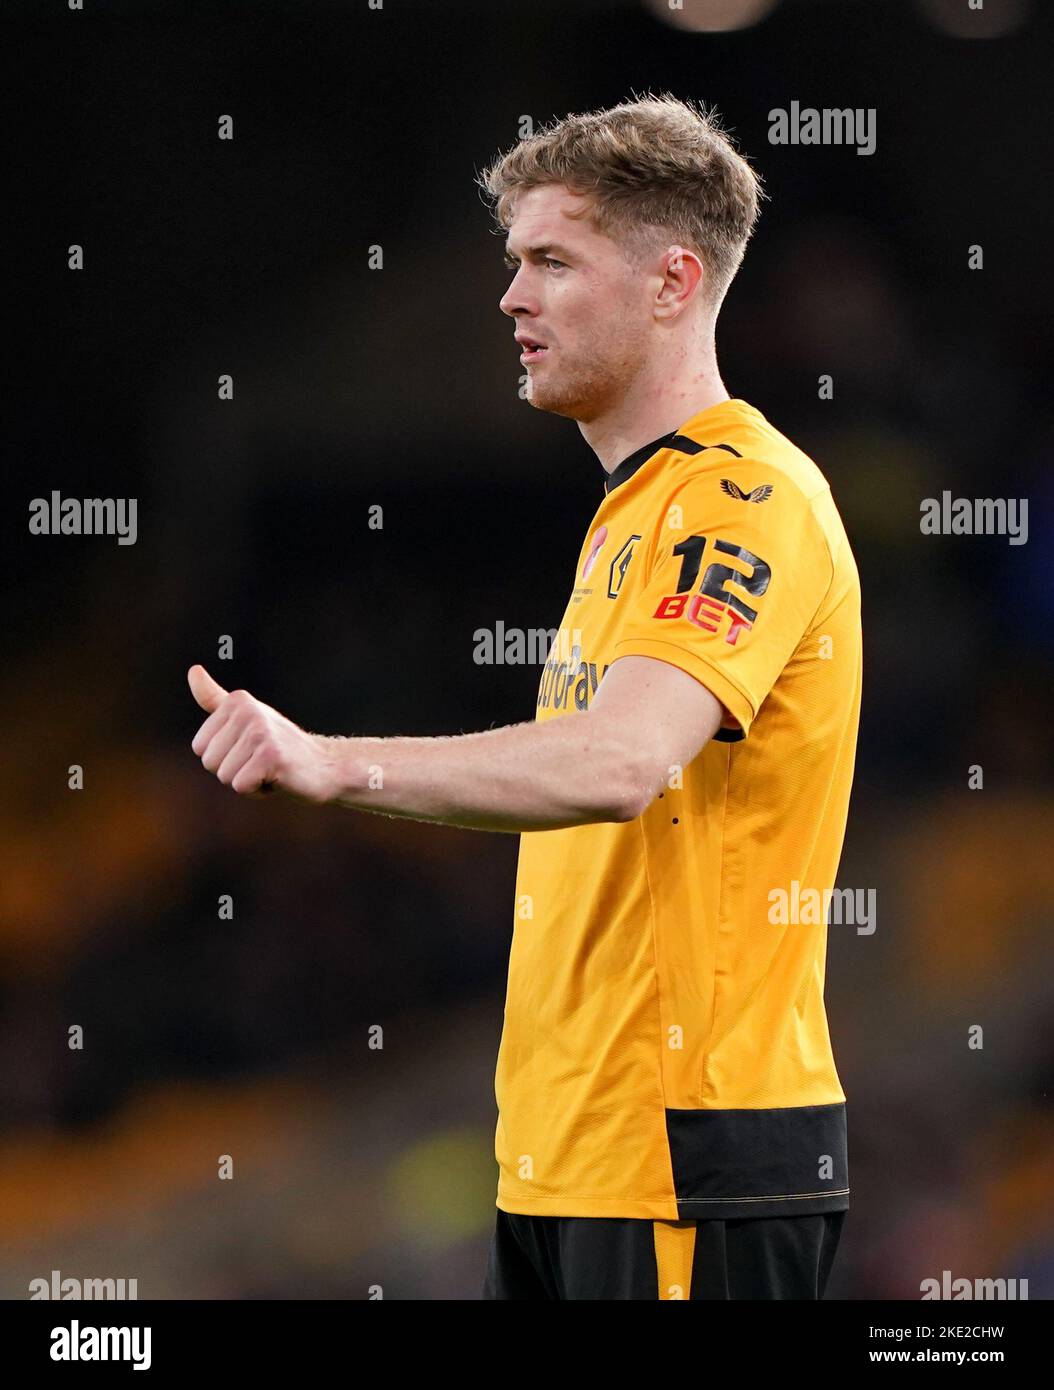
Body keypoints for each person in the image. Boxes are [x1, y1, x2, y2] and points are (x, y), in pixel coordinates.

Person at [188, 94, 861, 1300]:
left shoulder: (742, 499)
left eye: (551, 259)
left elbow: (619, 763)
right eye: (515, 261)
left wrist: (337, 762)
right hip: (568, 1166)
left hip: (681, 1165)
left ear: (669, 282)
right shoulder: (630, 517)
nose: (511, 296)